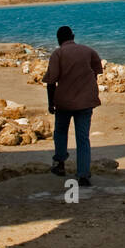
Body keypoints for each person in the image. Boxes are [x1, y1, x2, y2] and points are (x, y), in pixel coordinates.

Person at [44, 25, 103, 186]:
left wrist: (51, 103)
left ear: (58, 39)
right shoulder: (88, 51)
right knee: (83, 138)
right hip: (85, 101)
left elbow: (51, 82)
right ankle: (83, 174)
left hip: (64, 102)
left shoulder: (58, 53)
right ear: (73, 36)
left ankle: (60, 163)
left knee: (61, 132)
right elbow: (96, 73)